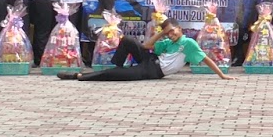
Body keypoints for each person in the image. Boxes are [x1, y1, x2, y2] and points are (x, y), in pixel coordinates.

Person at [58, 17, 232, 81]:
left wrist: (222, 75)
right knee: (128, 40)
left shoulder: (188, 44)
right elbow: (146, 46)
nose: (171, 34)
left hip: (153, 71)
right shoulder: (168, 42)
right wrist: (161, 33)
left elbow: (206, 59)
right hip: (150, 60)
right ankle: (118, 65)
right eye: (168, 32)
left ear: (180, 29)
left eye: (173, 31)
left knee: (113, 75)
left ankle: (78, 76)